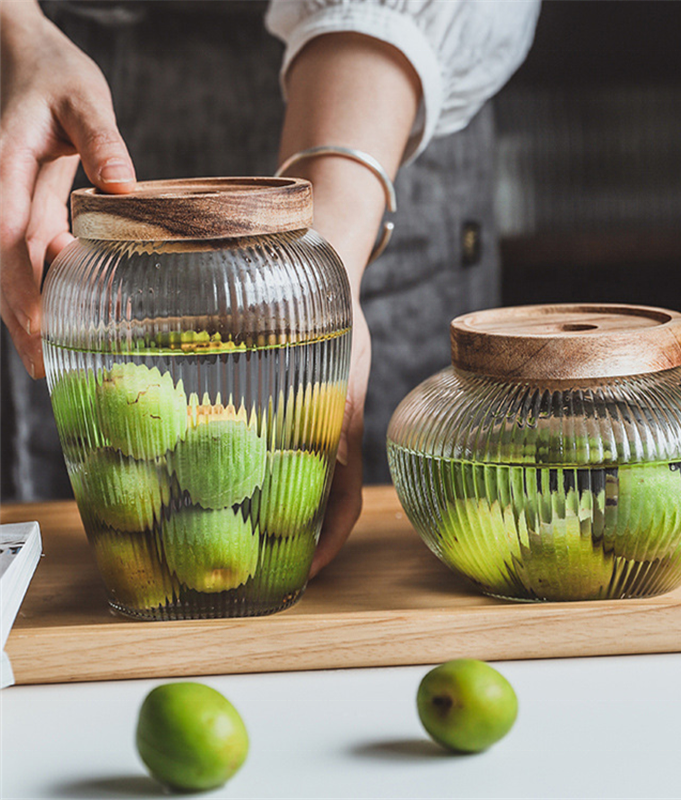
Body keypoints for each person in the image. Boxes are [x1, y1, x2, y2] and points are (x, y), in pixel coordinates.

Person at [0, 0, 540, 574]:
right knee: (107, 529)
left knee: (372, 534)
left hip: (379, 100)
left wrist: (323, 259)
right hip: (69, 80)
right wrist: (19, 30)